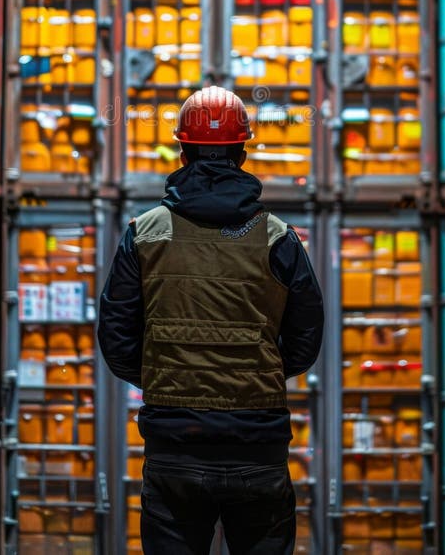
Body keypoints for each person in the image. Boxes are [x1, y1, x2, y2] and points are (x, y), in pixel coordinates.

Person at [98, 86, 324, 555]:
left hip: (174, 445)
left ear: (182, 150)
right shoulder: (277, 238)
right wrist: (251, 373)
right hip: (258, 445)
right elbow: (305, 340)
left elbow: (117, 338)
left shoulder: (145, 234)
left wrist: (168, 374)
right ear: (242, 152)